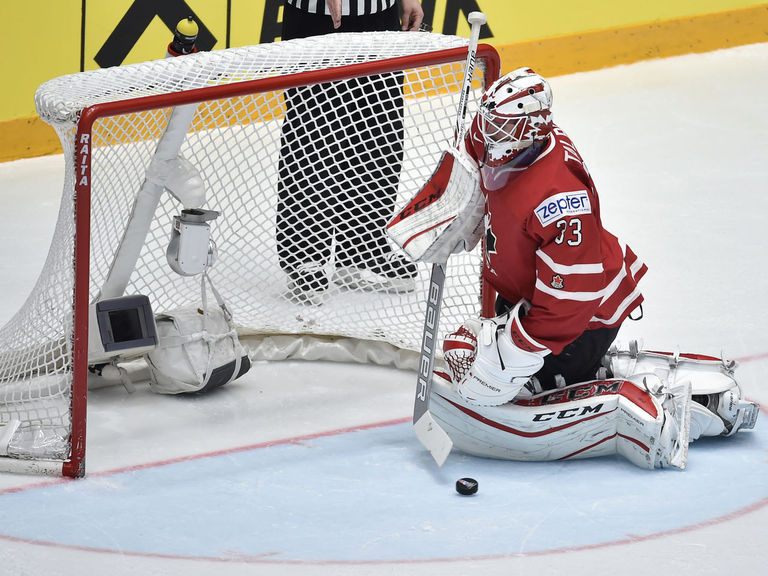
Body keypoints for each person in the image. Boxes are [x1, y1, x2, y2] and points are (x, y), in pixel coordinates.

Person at [390, 67, 758, 469]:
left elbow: (569, 304)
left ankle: (658, 405)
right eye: (489, 124)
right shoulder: (499, 132)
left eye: (501, 131)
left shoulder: (561, 198)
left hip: (583, 317)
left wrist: (513, 351)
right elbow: (472, 150)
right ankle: (592, 369)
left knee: (509, 386)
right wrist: (451, 204)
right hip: (528, 296)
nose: (489, 137)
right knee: (486, 364)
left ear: (532, 131)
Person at [276, 0, 424, 302]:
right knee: (313, 137)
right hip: (313, 18)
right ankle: (304, 254)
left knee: (379, 134)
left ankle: (361, 250)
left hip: (378, 15)